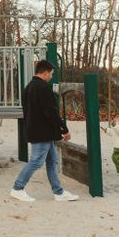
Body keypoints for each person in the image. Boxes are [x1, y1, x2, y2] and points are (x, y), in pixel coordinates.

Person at [10, 59, 80, 202]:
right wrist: (64, 129)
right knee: (36, 161)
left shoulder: (28, 87)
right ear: (46, 72)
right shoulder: (43, 87)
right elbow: (51, 112)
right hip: (42, 132)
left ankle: (58, 192)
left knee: (52, 161)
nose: (51, 77)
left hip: (38, 131)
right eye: (51, 74)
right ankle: (17, 188)